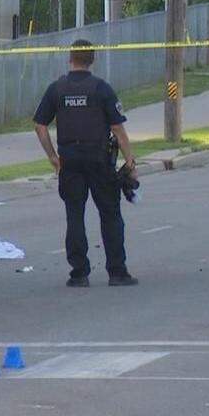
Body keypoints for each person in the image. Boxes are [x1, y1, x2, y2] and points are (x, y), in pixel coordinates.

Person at [33, 39, 138, 288]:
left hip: (69, 160)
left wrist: (53, 157)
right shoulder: (101, 88)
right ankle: (117, 271)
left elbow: (39, 125)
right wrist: (130, 161)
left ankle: (79, 273)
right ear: (92, 60)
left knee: (74, 215)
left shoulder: (56, 89)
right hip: (99, 160)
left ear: (70, 58)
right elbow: (117, 128)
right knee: (110, 214)